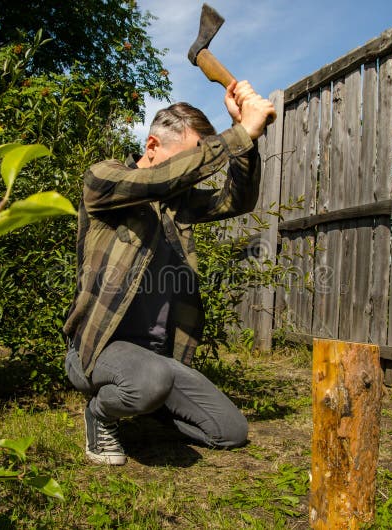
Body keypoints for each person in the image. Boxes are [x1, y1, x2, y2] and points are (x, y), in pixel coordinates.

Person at [63, 80, 276, 465]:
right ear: (152, 146)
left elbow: (237, 199)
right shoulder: (104, 181)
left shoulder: (177, 205)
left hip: (156, 359)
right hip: (97, 349)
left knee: (230, 432)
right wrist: (238, 134)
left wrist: (247, 142)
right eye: (186, 160)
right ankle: (100, 414)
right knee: (148, 381)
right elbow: (159, 179)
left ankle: (148, 400)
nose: (193, 174)